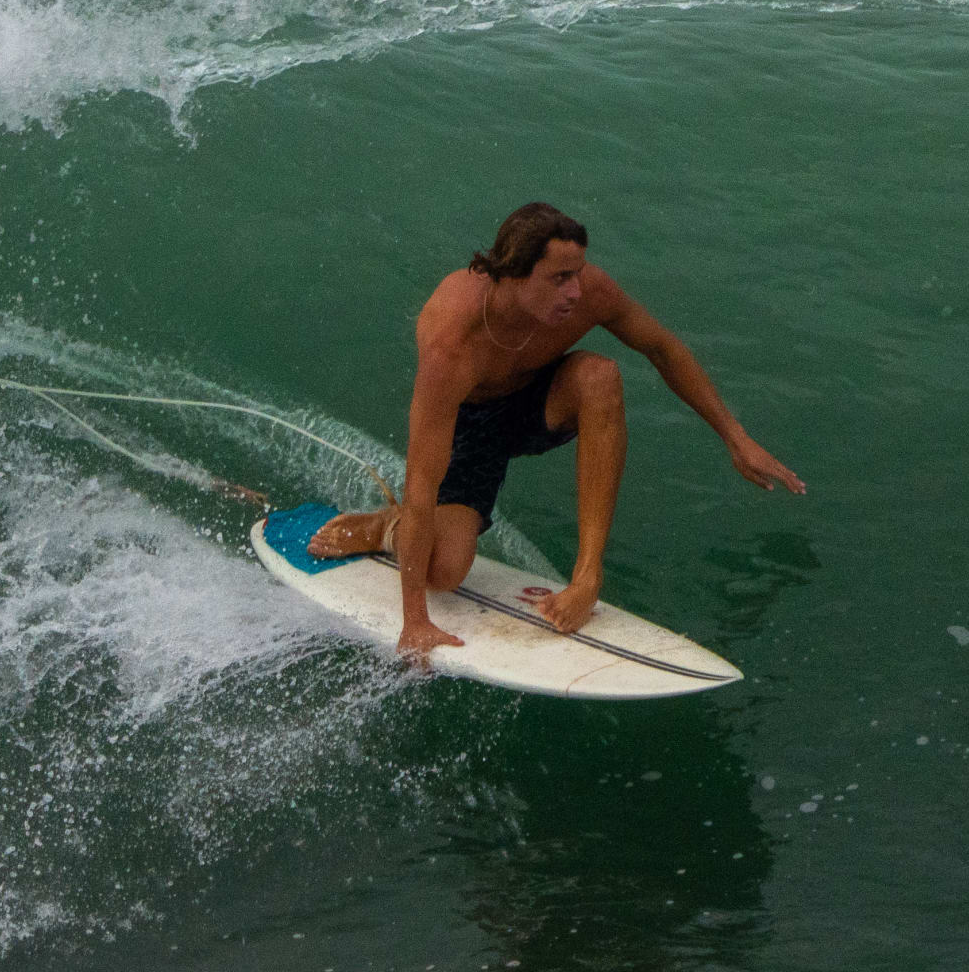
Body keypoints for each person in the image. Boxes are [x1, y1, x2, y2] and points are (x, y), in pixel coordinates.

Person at [307, 202, 805, 662]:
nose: (576, 290)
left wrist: (736, 438)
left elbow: (662, 348)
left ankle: (588, 574)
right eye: (560, 277)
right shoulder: (452, 340)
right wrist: (414, 620)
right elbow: (422, 481)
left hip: (538, 401)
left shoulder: (589, 295)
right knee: (445, 572)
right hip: (471, 424)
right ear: (514, 273)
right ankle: (383, 527)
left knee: (600, 377)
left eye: (579, 273)